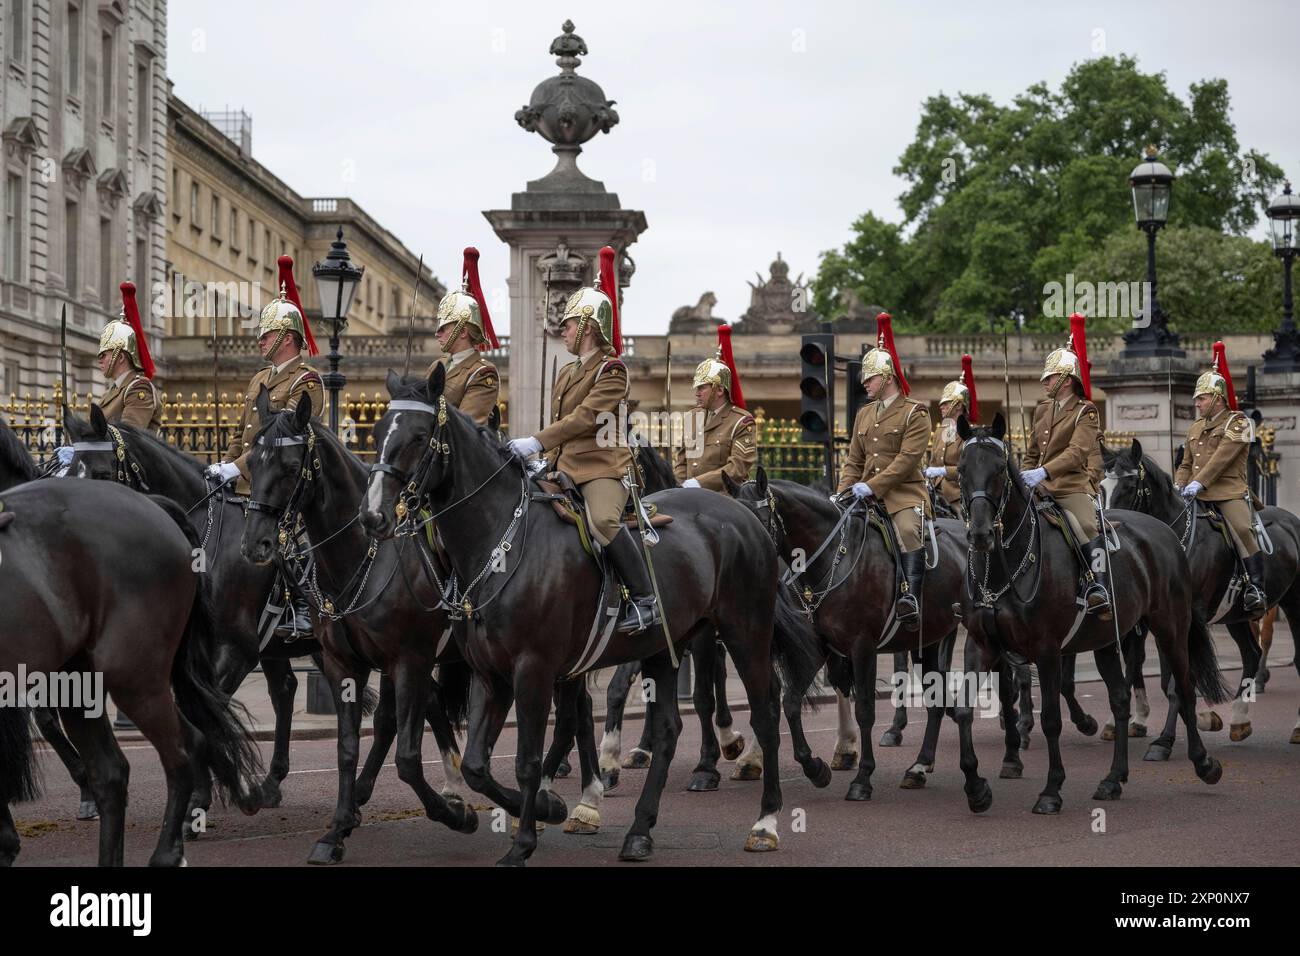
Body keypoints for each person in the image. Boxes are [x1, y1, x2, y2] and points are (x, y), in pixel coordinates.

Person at [506, 246, 661, 634]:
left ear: (589, 327)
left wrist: (536, 441)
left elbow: (585, 418)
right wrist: (543, 459)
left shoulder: (612, 371)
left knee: (603, 521)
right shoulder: (567, 371)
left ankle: (645, 600)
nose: (564, 329)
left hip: (600, 466)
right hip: (563, 467)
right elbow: (562, 421)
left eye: (570, 324)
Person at [206, 255, 322, 638]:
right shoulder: (258, 379)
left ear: (287, 338)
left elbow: (279, 441)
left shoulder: (307, 381)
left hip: (281, 482)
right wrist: (223, 466)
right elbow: (242, 432)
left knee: (289, 541)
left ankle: (303, 603)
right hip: (246, 479)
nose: (260, 340)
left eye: (267, 334)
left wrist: (238, 467)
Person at [836, 312, 931, 630]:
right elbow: (853, 460)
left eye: (870, 378)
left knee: (906, 532)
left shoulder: (914, 413)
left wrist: (873, 486)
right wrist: (843, 490)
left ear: (888, 377)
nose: (863, 383)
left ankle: (911, 598)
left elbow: (906, 460)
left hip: (903, 496)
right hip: (864, 495)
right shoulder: (864, 414)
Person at [1021, 313, 1110, 618]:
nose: (1044, 382)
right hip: (1039, 487)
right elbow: (1032, 451)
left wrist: (1045, 471)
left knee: (1086, 526)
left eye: (1049, 377)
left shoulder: (1086, 412)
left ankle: (1099, 585)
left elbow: (1077, 452)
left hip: (1070, 486)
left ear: (1066, 379)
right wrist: (1026, 472)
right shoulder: (1043, 409)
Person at [1175, 341, 1266, 617]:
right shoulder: (1195, 427)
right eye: (1197, 398)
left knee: (1242, 530)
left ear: (1217, 398)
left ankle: (1256, 588)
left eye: (1201, 398)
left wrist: (1198, 482)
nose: (1197, 403)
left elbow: (1221, 459)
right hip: (1194, 493)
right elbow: (1186, 462)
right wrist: (1179, 483)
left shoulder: (1238, 423)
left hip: (1227, 493)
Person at [675, 324, 755, 491]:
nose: (697, 393)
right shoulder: (692, 417)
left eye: (702, 388)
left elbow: (737, 468)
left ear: (719, 390)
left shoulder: (741, 422)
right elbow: (681, 462)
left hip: (723, 500)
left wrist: (698, 483)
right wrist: (679, 488)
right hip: (690, 497)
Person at [426, 247, 500, 427]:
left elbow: (467, 427)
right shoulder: (437, 365)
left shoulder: (482, 373)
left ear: (463, 332)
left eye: (443, 327)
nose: (438, 333)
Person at [94, 280, 162, 432]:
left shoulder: (138, 388)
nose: (100, 359)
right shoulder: (110, 393)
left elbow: (128, 437)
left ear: (121, 357)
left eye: (104, 354)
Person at [925, 353, 978, 518]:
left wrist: (944, 471)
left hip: (958, 495)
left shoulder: (969, 433)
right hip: (934, 492)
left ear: (959, 405)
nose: (941, 407)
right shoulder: (942, 430)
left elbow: (970, 469)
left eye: (946, 403)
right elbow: (934, 461)